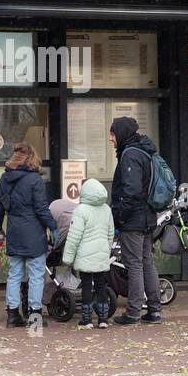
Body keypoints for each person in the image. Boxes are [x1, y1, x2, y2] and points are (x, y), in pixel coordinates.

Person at [0, 141, 57, 327]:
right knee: (36, 275)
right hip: (33, 233)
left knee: (14, 274)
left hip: (14, 230)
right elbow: (41, 209)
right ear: (32, 158)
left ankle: (12, 315)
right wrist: (52, 226)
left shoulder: (4, 179)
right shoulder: (35, 180)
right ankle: (34, 316)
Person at [108, 115, 162, 325]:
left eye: (112, 134)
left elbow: (131, 192)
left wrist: (119, 217)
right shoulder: (144, 151)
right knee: (147, 262)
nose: (110, 139)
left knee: (134, 264)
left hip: (133, 220)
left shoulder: (130, 155)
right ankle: (155, 310)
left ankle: (133, 312)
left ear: (120, 133)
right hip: (147, 217)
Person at [61, 177, 115, 329]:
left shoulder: (80, 210)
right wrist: (106, 249)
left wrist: (68, 257)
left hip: (85, 254)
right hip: (101, 252)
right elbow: (110, 233)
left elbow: (74, 236)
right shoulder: (107, 209)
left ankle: (87, 320)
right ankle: (103, 319)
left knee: (86, 286)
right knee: (100, 286)